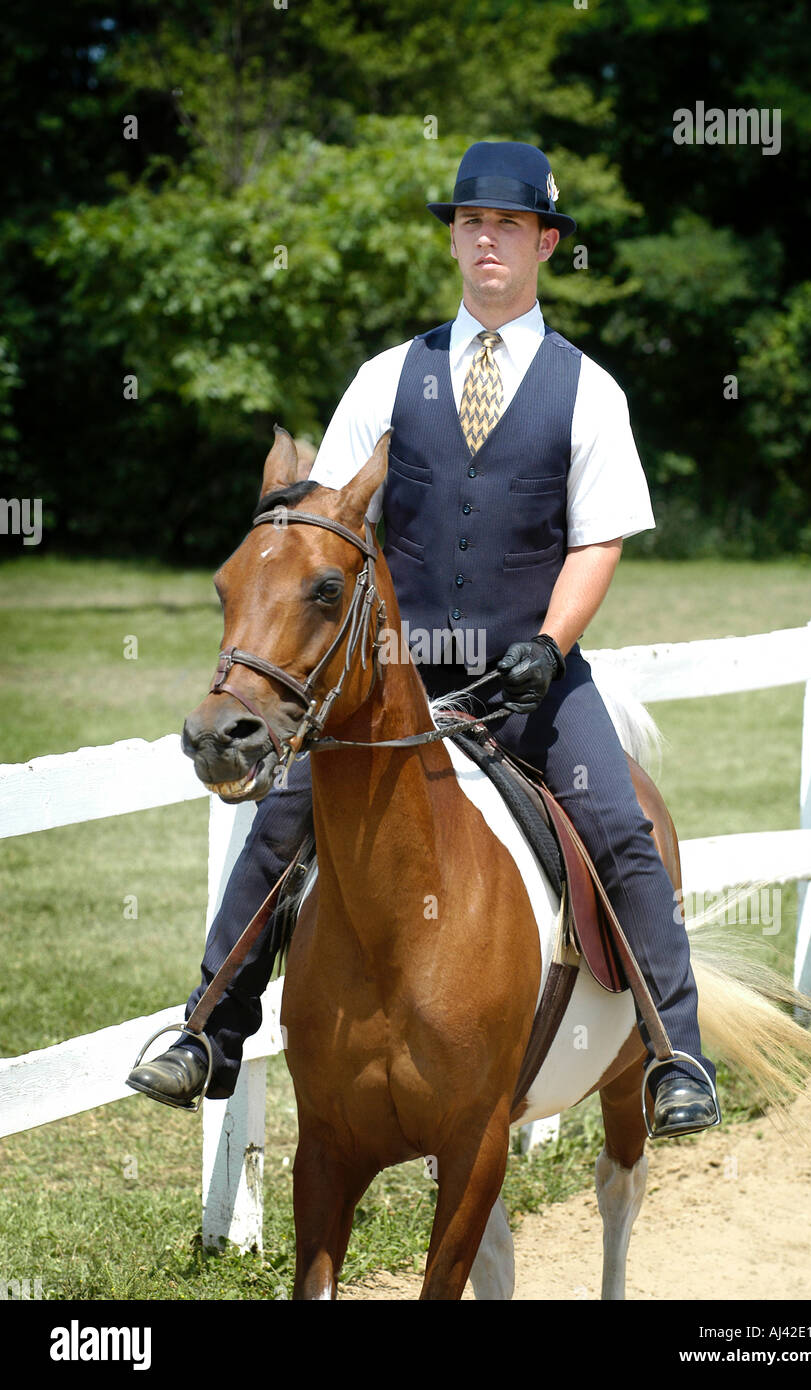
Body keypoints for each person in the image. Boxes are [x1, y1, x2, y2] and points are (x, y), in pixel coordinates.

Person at [127, 141, 720, 1138]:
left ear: (544, 243)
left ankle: (677, 1054)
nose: (488, 241)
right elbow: (330, 516)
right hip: (393, 674)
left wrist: (550, 641)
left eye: (510, 227)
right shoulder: (389, 376)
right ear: (454, 239)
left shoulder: (590, 392)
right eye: (471, 224)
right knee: (284, 818)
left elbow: (598, 538)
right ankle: (208, 1031)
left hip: (533, 673)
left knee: (619, 827)